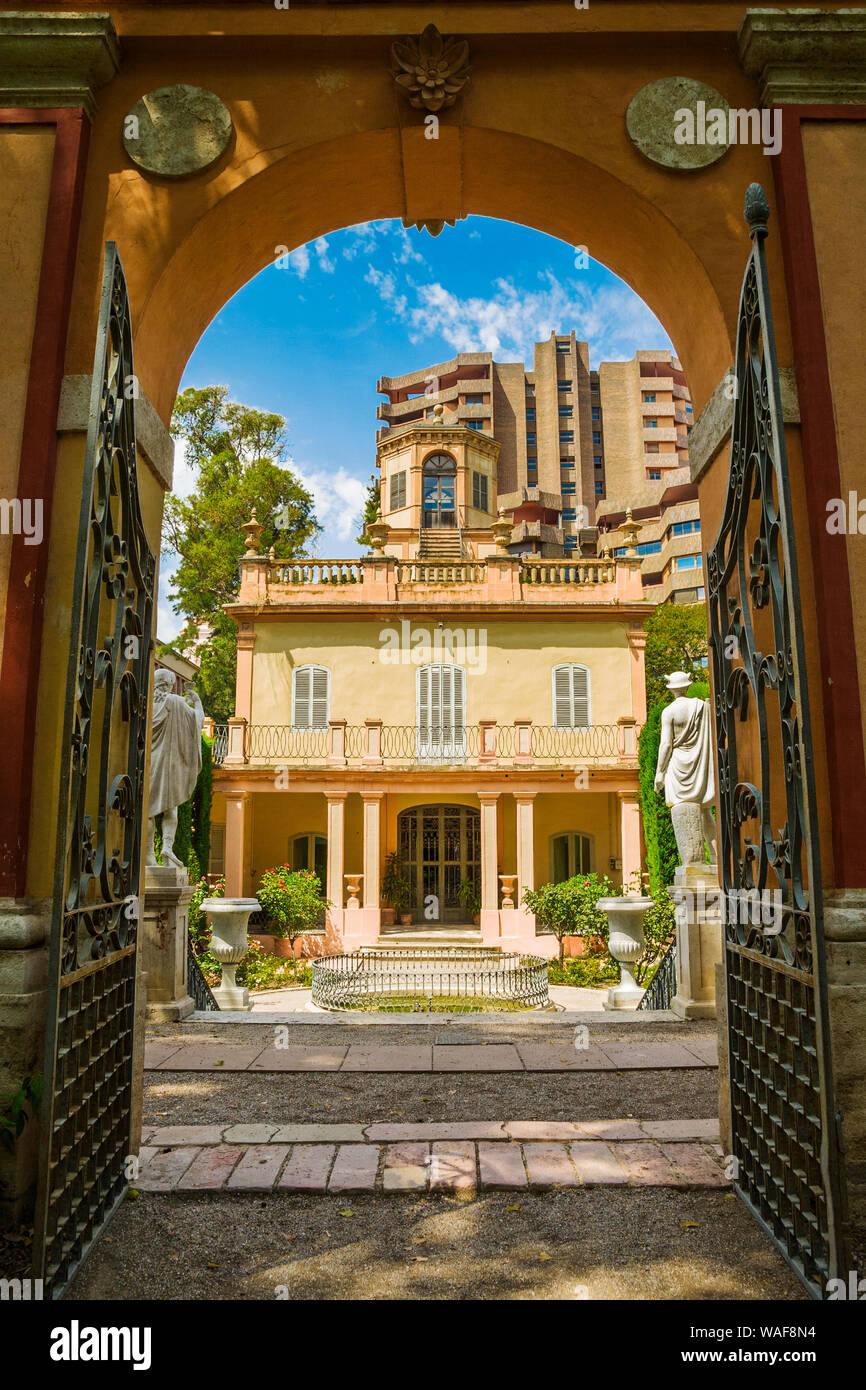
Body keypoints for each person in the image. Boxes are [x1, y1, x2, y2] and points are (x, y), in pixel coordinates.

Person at [654, 670, 716, 864]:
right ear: (687, 686)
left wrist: (659, 773)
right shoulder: (702, 706)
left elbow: (666, 745)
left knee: (682, 810)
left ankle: (693, 862)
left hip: (678, 766)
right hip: (700, 763)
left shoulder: (669, 711)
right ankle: (716, 860)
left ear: (671, 689)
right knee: (705, 810)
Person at [146, 669, 204, 869]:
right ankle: (167, 848)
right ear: (170, 684)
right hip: (169, 766)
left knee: (148, 812)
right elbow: (197, 723)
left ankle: (148, 857)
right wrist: (197, 702)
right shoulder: (176, 702)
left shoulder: (146, 703)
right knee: (172, 808)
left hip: (149, 764)